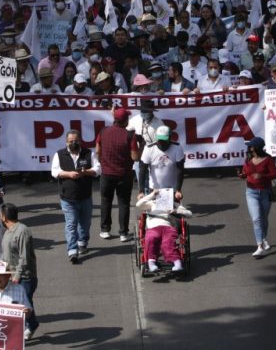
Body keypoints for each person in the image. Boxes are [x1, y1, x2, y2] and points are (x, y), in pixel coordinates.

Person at [50, 129, 100, 264]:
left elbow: (97, 169)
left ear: (80, 141)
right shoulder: (59, 154)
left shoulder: (88, 153)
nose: (73, 143)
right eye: (71, 141)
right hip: (67, 198)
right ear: (66, 142)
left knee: (85, 223)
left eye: (76, 141)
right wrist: (69, 174)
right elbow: (54, 172)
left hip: (85, 196)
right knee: (71, 225)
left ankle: (82, 242)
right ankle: (72, 251)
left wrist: (86, 172)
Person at [95, 106, 140, 242]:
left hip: (107, 173)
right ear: (125, 120)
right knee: (123, 203)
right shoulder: (130, 135)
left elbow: (98, 151)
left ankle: (105, 230)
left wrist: (103, 162)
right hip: (124, 174)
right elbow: (135, 157)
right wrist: (141, 147)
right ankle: (123, 233)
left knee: (106, 201)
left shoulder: (103, 131)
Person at [0, 203, 39, 340]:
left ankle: (26, 327)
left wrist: (17, 275)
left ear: (4, 216)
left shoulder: (23, 231)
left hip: (25, 277)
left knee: (23, 304)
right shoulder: (7, 232)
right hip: (11, 275)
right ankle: (32, 324)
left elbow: (24, 256)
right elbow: (6, 255)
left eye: (0, 214)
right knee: (20, 303)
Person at [135, 189, 192, 273]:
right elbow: (138, 204)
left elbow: (189, 214)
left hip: (168, 226)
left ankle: (177, 262)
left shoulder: (173, 204)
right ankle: (151, 263)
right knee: (151, 238)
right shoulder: (151, 204)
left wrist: (176, 211)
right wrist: (152, 195)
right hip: (153, 227)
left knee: (167, 242)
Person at [240, 137, 276, 258]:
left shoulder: (268, 160)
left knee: (263, 218)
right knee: (256, 219)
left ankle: (263, 238)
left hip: (265, 192)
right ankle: (260, 246)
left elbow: (275, 174)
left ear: (257, 147)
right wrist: (241, 175)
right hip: (251, 193)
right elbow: (245, 172)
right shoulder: (248, 159)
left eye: (251, 146)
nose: (249, 148)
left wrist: (262, 175)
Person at [138, 125, 185, 199]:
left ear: (170, 138)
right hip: (154, 189)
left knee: (171, 210)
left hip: (172, 188)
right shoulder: (149, 149)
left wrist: (178, 189)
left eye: (164, 140)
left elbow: (180, 170)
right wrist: (141, 191)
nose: (162, 143)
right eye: (160, 140)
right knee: (155, 210)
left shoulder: (177, 148)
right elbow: (142, 170)